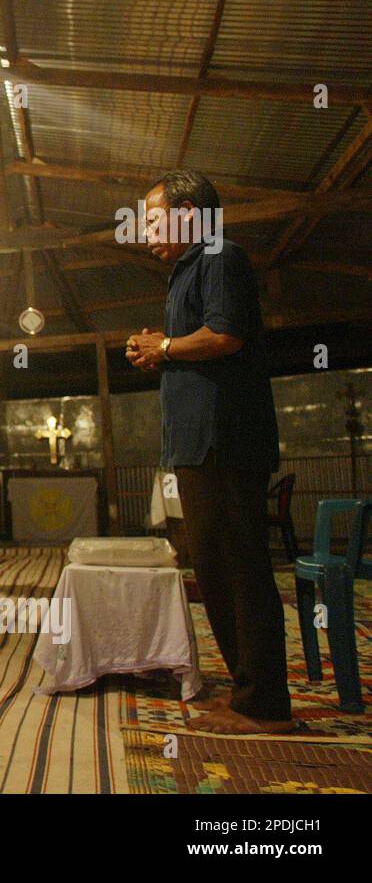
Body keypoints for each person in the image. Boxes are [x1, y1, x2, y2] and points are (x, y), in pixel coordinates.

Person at [126, 168, 291, 735]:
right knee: (215, 565)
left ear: (189, 211)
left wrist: (166, 345)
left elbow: (225, 336)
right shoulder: (189, 268)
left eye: (152, 219)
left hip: (226, 436)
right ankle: (246, 689)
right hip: (199, 440)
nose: (146, 232)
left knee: (242, 567)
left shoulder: (221, 254)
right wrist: (159, 350)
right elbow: (194, 345)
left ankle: (266, 704)